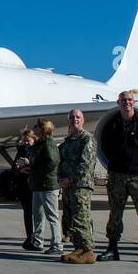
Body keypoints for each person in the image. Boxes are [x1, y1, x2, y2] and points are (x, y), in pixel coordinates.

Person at [98, 90, 138, 263]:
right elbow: (107, 145)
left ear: (134, 102)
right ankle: (112, 249)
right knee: (115, 213)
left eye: (130, 100)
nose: (127, 102)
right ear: (118, 102)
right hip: (118, 174)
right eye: (123, 100)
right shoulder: (113, 124)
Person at [57, 109, 97, 264]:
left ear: (83, 120)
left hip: (80, 186)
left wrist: (71, 179)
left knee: (81, 218)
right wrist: (60, 178)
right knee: (71, 219)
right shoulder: (68, 142)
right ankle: (79, 248)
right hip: (68, 186)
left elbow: (85, 163)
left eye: (78, 117)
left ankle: (88, 251)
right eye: (72, 117)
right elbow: (59, 161)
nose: (75, 119)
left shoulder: (87, 139)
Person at [27, 120, 61, 253]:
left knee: (52, 216)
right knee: (38, 215)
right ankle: (38, 241)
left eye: (36, 126)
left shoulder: (49, 143)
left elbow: (52, 161)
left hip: (48, 185)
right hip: (38, 185)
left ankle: (57, 244)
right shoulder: (39, 144)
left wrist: (35, 169)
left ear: (42, 129)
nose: (33, 128)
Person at [13, 128, 38, 250]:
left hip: (35, 185)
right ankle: (29, 236)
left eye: (28, 141)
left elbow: (44, 166)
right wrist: (20, 169)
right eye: (24, 141)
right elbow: (14, 167)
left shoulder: (38, 150)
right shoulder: (22, 150)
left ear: (34, 139)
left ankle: (38, 238)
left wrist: (30, 165)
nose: (26, 143)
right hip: (24, 185)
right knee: (27, 212)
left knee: (38, 213)